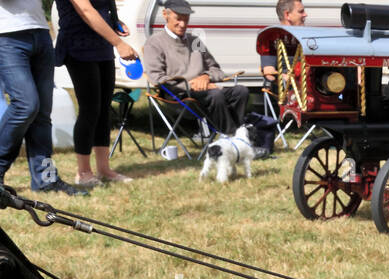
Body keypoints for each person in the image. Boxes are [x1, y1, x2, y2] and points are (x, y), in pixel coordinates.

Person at [0, 0, 85, 194]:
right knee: (26, 105)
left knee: (42, 114)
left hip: (40, 31)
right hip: (6, 35)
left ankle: (46, 180)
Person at [55, 0, 139, 187]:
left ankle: (104, 169)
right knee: (90, 109)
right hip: (78, 45)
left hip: (101, 45)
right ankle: (83, 172)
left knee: (103, 109)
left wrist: (114, 20)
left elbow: (102, 7)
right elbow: (86, 10)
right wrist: (118, 43)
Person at [142, 0, 248, 135]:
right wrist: (191, 85)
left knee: (241, 91)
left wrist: (206, 77)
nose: (183, 24)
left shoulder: (194, 41)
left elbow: (216, 69)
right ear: (165, 14)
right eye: (178, 19)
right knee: (215, 95)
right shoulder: (155, 42)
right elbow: (156, 78)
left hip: (205, 91)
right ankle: (231, 137)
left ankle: (239, 135)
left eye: (186, 19)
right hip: (178, 94)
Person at [261, 0, 305, 84]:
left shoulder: (308, 37)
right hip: (287, 90)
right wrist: (289, 79)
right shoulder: (271, 38)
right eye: (301, 12)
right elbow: (269, 73)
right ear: (287, 15)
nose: (305, 14)